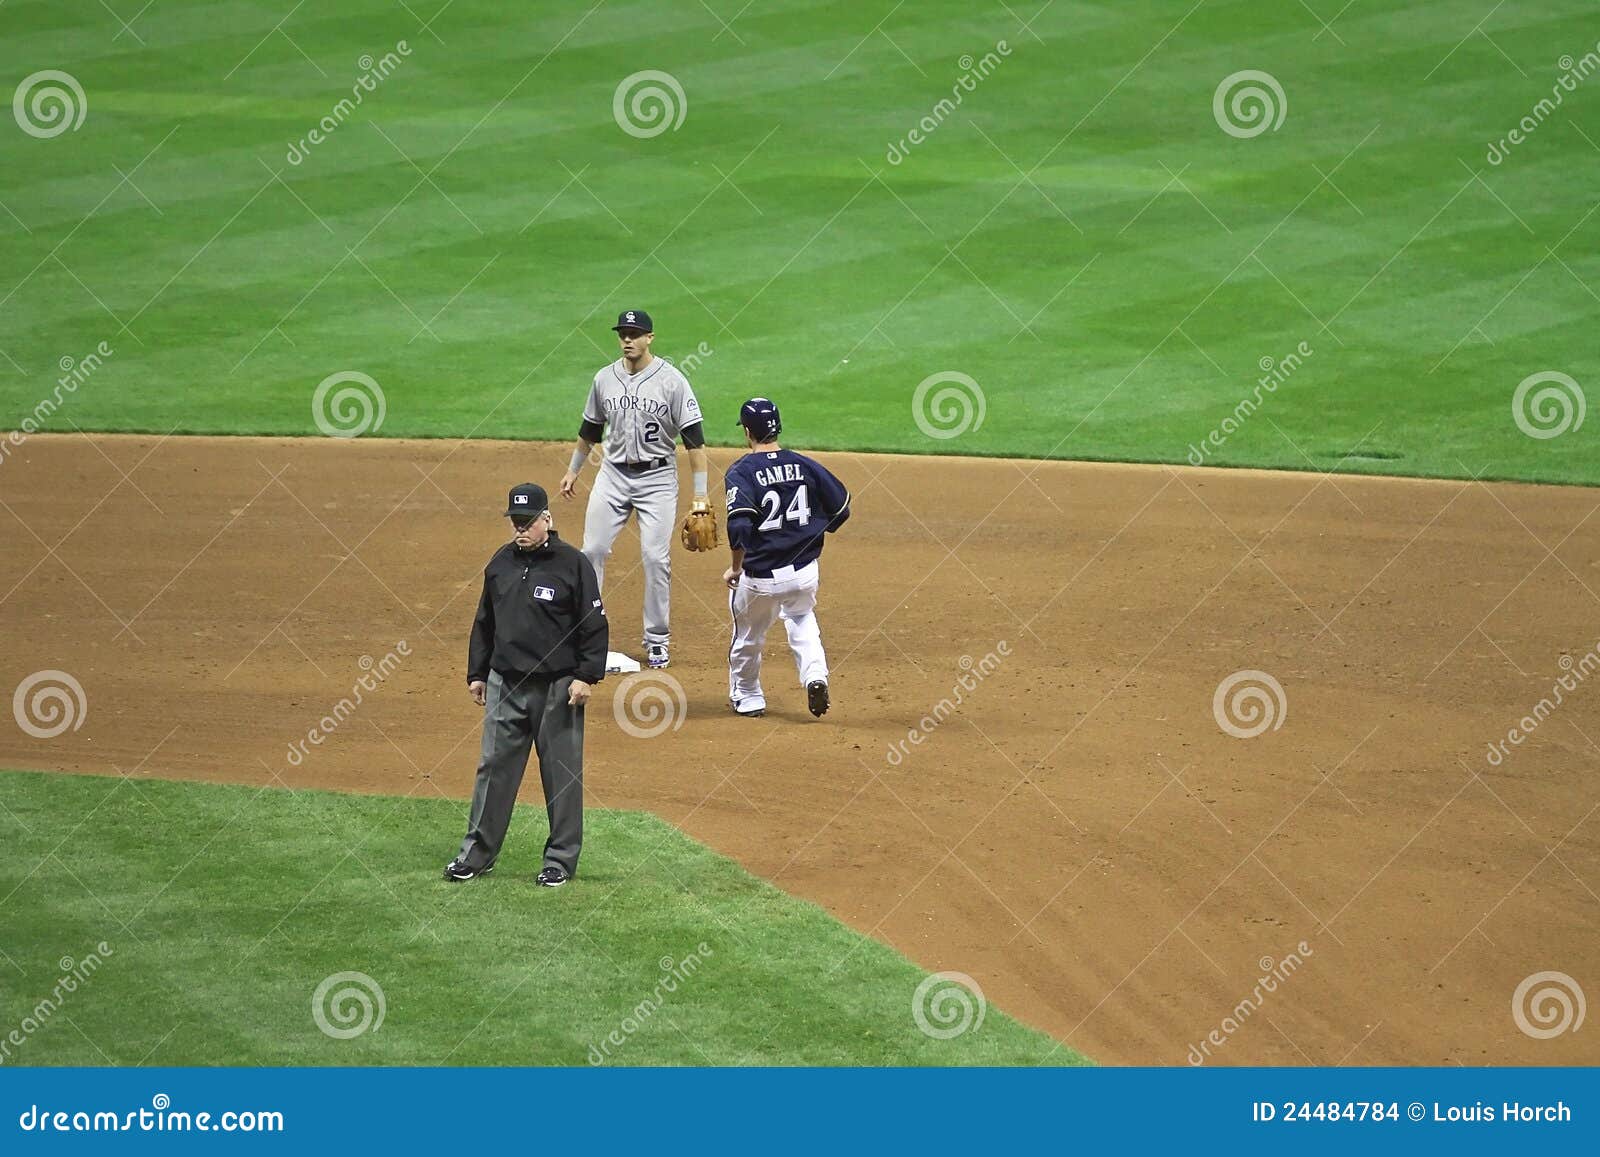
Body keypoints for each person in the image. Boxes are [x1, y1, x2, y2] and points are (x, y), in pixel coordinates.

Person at [445, 483, 608, 887]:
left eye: (528, 521)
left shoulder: (573, 564)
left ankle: (560, 861)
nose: (520, 529)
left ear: (547, 520)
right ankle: (476, 855)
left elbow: (594, 624)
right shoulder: (500, 563)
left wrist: (586, 676)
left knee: (561, 776)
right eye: (515, 522)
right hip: (506, 684)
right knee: (493, 771)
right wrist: (478, 673)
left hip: (558, 688)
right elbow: (484, 622)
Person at [559, 309, 709, 670]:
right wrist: (573, 471)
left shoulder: (672, 381)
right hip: (612, 475)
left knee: (656, 558)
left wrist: (701, 495)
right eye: (623, 333)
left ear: (650, 338)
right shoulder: (604, 378)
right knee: (591, 550)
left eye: (635, 333)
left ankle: (657, 640)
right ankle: (589, 633)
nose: (628, 339)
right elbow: (590, 431)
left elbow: (695, 443)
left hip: (656, 480)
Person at [721, 398, 852, 719]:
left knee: (749, 637)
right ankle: (815, 676)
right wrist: (810, 531)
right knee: (802, 619)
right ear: (777, 427)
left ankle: (749, 696)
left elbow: (739, 528)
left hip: (761, 577)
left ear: (748, 432)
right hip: (804, 573)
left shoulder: (741, 471)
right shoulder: (805, 464)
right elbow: (841, 508)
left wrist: (735, 569)